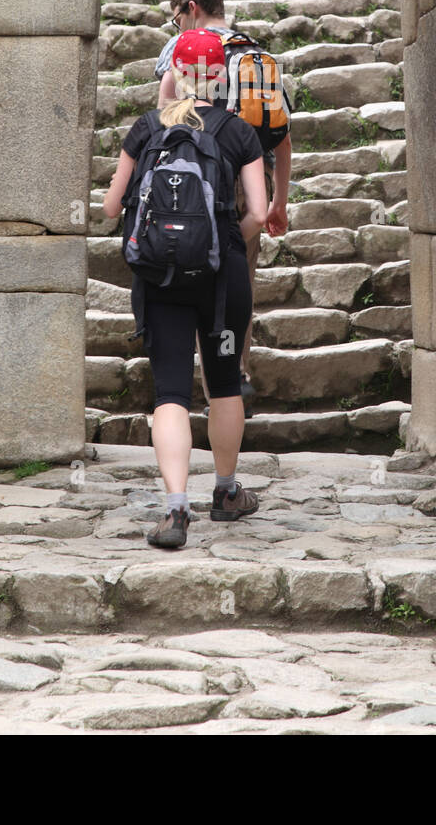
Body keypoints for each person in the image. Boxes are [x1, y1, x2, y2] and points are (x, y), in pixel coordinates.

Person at [102, 29, 268, 550]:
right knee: (222, 383)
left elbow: (112, 207)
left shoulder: (147, 128)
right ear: (220, 76)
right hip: (224, 281)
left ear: (173, 72)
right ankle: (225, 493)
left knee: (170, 392)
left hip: (160, 279)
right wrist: (224, 244)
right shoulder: (239, 132)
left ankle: (175, 510)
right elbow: (259, 213)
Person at [153, 0, 292, 406]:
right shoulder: (256, 53)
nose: (176, 26)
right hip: (252, 182)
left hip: (195, 181)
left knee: (192, 269)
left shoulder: (183, 49)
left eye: (176, 17)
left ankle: (205, 381)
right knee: (237, 281)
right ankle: (234, 374)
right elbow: (283, 137)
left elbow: (163, 120)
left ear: (191, 8)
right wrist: (278, 203)